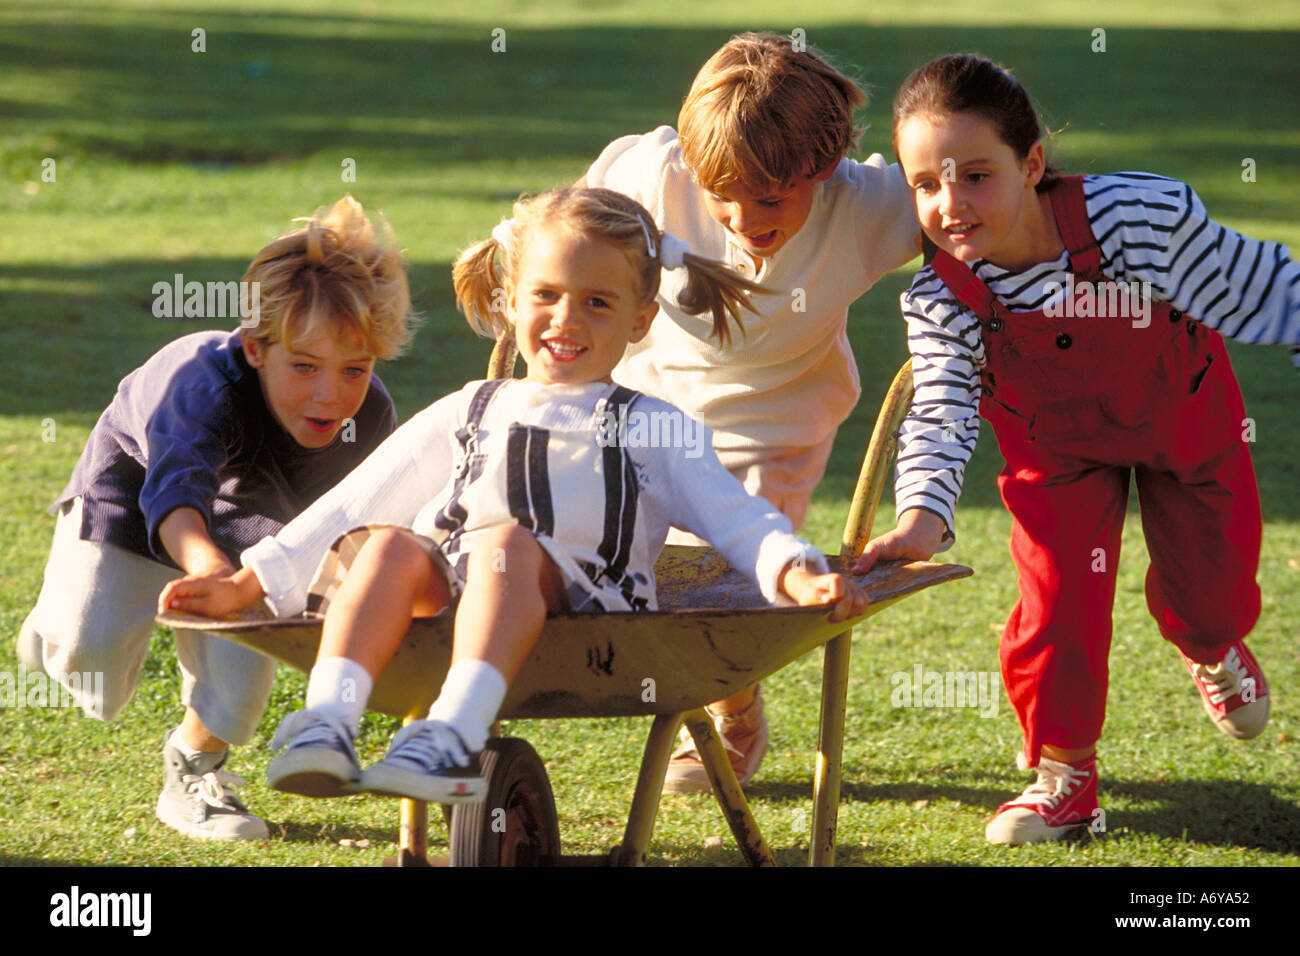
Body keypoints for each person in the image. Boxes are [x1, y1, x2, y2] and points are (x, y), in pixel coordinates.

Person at [158, 187, 869, 803]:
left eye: (598, 303)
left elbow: (735, 516)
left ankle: (455, 734)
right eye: (546, 297)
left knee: (502, 544)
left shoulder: (649, 425)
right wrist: (249, 580)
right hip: (460, 592)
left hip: (592, 610)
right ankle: (330, 722)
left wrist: (793, 568)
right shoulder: (472, 406)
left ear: (641, 319)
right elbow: (355, 498)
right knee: (384, 545)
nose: (567, 321)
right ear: (511, 302)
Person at [857, 53, 1300, 844]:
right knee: (1054, 603)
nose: (950, 205)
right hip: (1054, 453)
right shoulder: (944, 294)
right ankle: (1066, 781)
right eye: (926, 183)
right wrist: (923, 515)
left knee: (1212, 587)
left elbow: (1261, 284)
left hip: (1183, 415)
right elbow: (942, 409)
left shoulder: (1135, 220)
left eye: (975, 175)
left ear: (1032, 163)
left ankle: (1208, 643)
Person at [581, 31, 921, 791]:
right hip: (653, 409)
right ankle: (686, 701)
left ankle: (732, 719)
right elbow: (567, 233)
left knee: (740, 577)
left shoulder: (865, 207)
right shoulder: (650, 176)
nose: (741, 216)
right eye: (720, 194)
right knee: (637, 570)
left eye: (770, 198)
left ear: (823, 170)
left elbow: (964, 203)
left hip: (780, 425)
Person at [18, 196, 413, 839]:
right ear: (256, 349)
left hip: (257, 524)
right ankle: (54, 627)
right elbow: (177, 490)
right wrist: (209, 572)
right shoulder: (202, 385)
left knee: (243, 675)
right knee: (92, 668)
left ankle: (195, 770)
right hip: (136, 493)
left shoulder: (368, 415)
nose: (330, 393)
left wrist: (277, 589)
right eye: (305, 366)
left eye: (355, 369)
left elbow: (363, 515)